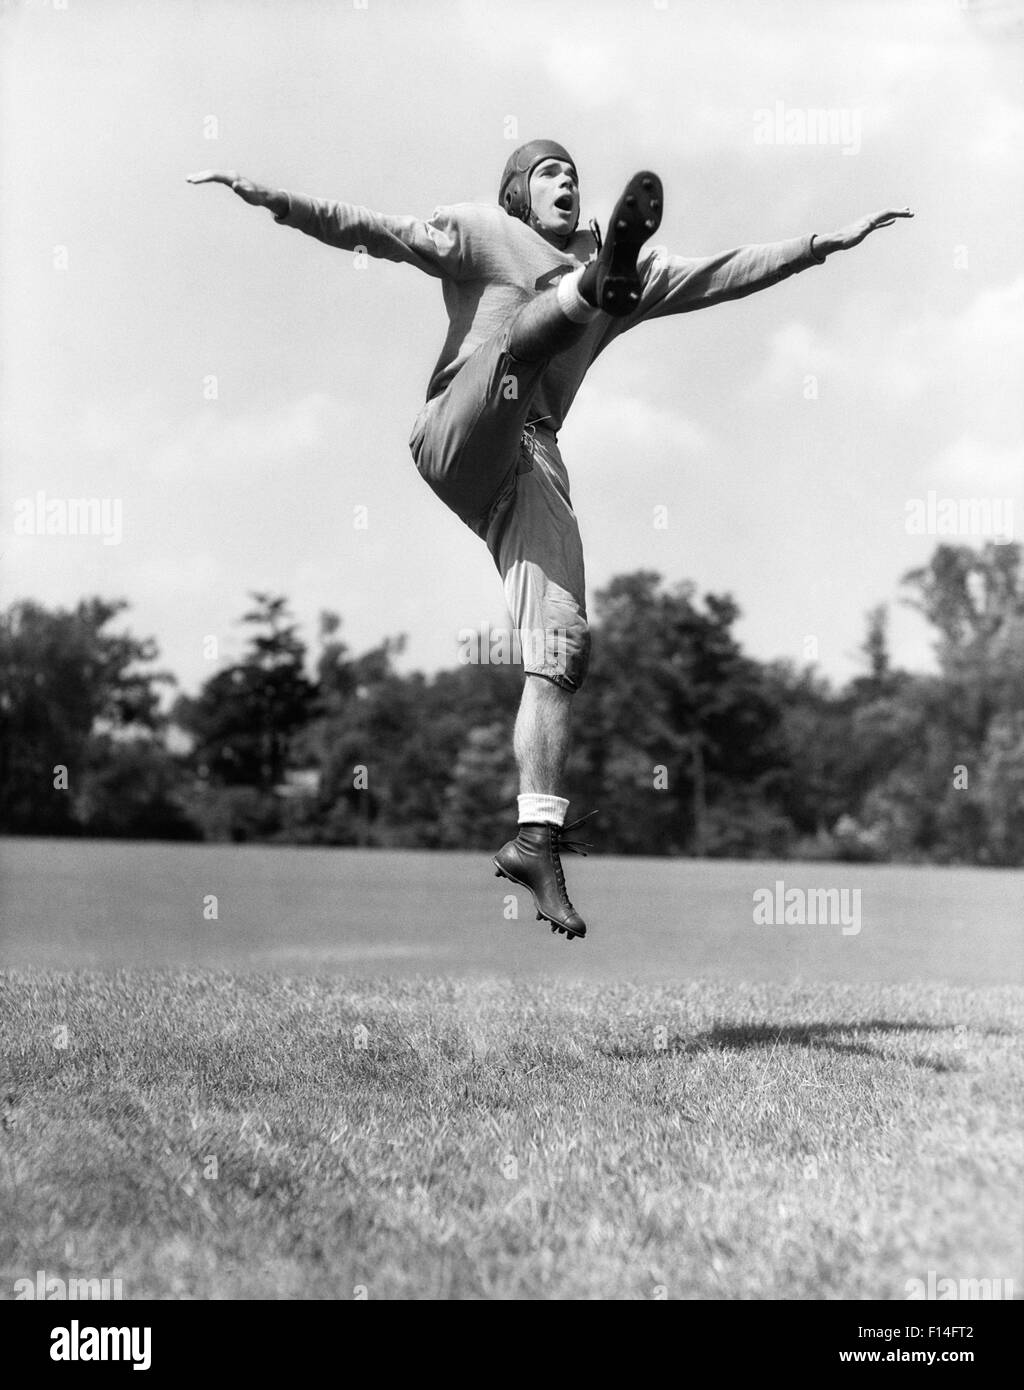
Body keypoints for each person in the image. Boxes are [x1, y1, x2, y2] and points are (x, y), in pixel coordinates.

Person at [187, 141, 912, 941]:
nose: (567, 180)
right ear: (515, 196)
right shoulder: (481, 231)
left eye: (574, 172)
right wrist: (271, 198)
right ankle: (573, 296)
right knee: (517, 351)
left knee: (562, 648)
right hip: (461, 426)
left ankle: (536, 838)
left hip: (530, 465)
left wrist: (820, 245)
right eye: (549, 172)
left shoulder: (629, 274)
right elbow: (371, 231)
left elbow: (725, 272)